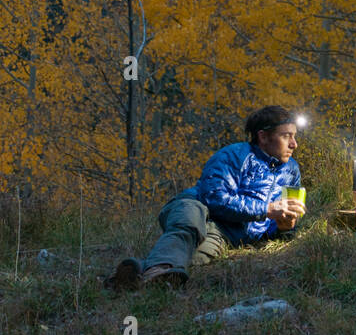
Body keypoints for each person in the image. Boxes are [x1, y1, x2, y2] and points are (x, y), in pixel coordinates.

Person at [104, 106, 306, 290]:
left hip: (225, 234)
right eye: (286, 136)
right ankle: (154, 270)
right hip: (197, 206)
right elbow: (214, 198)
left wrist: (283, 228)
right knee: (189, 224)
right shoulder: (234, 155)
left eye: (294, 136)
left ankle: (134, 276)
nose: (294, 144)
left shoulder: (291, 170)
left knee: (196, 262)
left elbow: (278, 225)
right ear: (263, 137)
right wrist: (267, 209)